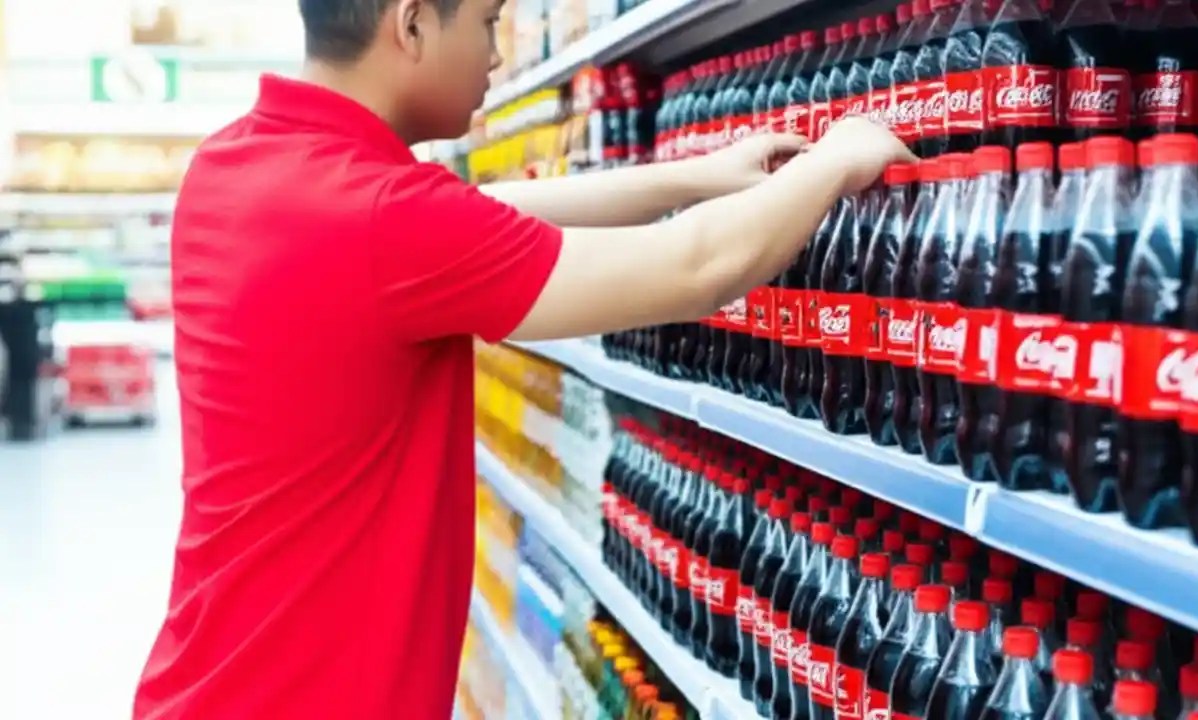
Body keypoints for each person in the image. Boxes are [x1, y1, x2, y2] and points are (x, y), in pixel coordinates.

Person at [132, 0, 914, 718]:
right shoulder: (378, 220)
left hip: (211, 679)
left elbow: (475, 216)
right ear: (410, 25)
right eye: (487, 21)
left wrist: (700, 175)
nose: (496, 56)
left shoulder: (240, 165)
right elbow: (697, 269)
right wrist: (835, 161)